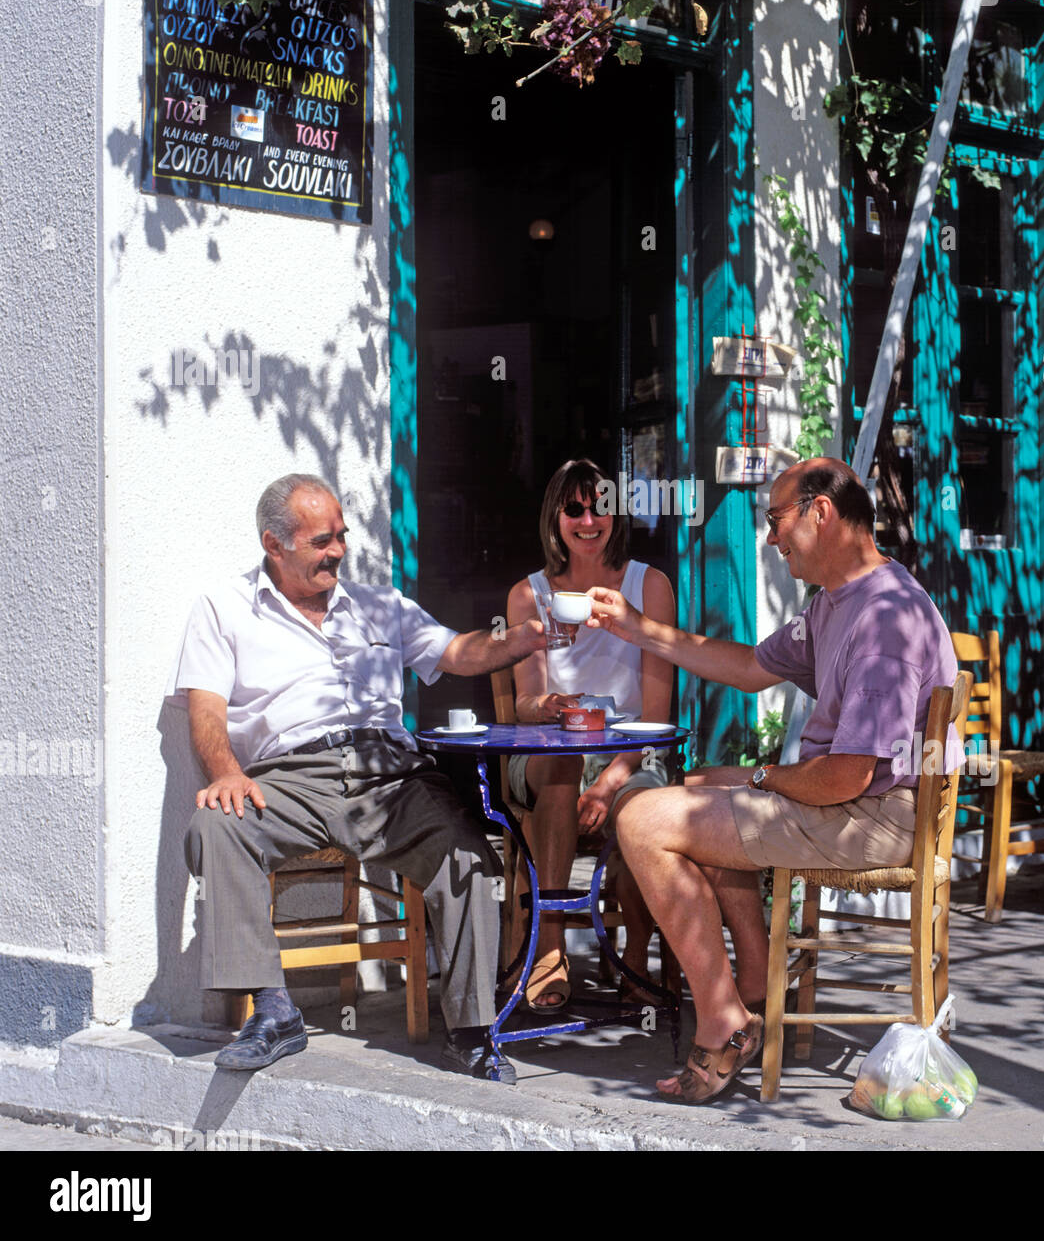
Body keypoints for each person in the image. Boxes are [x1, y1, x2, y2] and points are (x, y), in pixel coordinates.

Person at [586, 457, 959, 1104]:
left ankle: (725, 1020)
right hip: (855, 801)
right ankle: (757, 988)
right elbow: (751, 667)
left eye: (776, 519)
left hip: (871, 814)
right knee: (692, 792)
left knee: (641, 820)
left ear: (821, 512)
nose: (769, 537)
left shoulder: (885, 619)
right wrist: (638, 629)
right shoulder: (838, 603)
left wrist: (758, 776)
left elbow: (848, 774)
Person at [169, 473, 548, 1082]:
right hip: (292, 775)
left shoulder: (379, 604)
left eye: (342, 536)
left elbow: (456, 653)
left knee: (469, 856)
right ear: (274, 544)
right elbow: (206, 709)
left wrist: (522, 640)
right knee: (217, 824)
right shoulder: (223, 608)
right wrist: (226, 773)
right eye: (322, 541)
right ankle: (273, 1011)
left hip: (390, 774)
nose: (338, 551)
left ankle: (472, 1032)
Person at [505, 458, 675, 1014]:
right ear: (555, 516)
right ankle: (550, 944)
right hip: (546, 752)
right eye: (573, 508)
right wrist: (550, 705)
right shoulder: (527, 595)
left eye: (599, 506)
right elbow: (526, 707)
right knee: (558, 768)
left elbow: (656, 715)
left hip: (628, 754)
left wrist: (610, 782)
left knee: (639, 805)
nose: (587, 519)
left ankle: (635, 951)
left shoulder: (649, 586)